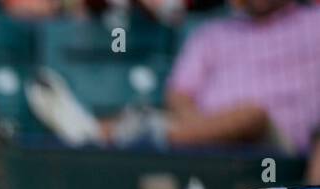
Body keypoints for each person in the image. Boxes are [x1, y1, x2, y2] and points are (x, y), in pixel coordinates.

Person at [28, 0, 320, 173]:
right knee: (160, 119)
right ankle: (102, 131)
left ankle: (113, 133)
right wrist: (201, 125)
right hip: (201, 130)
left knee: (251, 114)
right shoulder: (212, 31)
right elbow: (179, 94)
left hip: (279, 139)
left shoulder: (313, 22)